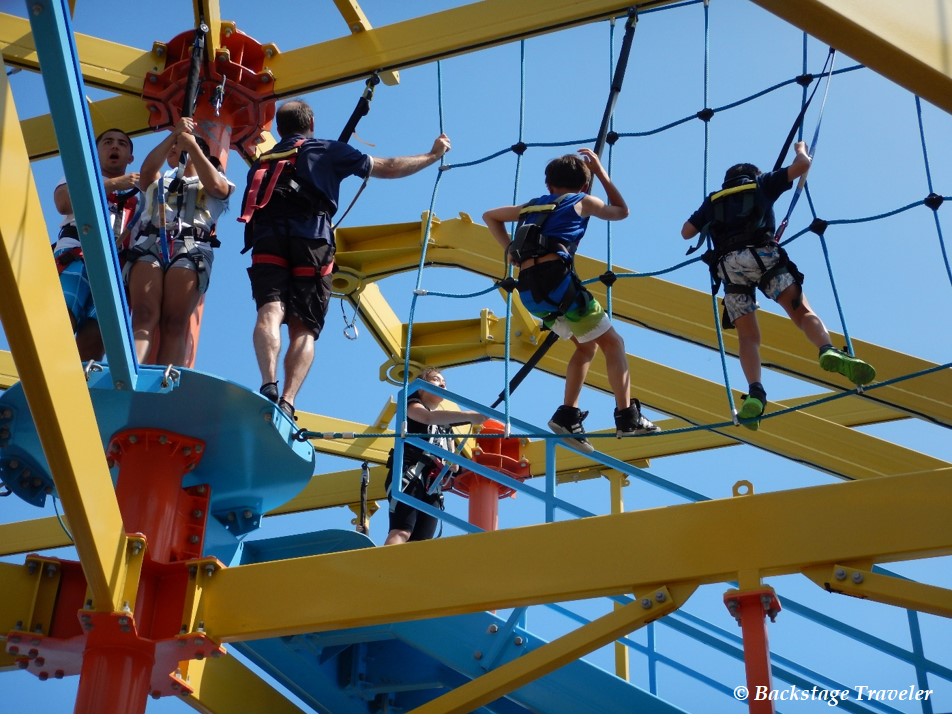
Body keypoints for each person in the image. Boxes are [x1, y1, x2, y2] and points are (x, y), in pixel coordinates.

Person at [238, 99, 452, 420]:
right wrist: (433, 154)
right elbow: (389, 166)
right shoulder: (325, 149)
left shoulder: (263, 161)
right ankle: (287, 399)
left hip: (266, 238)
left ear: (279, 129)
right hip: (312, 239)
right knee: (304, 328)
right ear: (311, 123)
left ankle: (268, 382)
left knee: (270, 310)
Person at [681, 140, 876, 430]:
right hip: (763, 258)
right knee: (802, 312)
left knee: (748, 338)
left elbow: (686, 233)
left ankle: (756, 392)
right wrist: (799, 149)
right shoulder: (761, 184)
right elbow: (802, 167)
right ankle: (827, 349)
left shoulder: (714, 200)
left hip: (729, 268)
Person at [482, 149, 658, 452]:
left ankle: (568, 415)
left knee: (586, 346)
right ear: (583, 185)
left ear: (549, 185)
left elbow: (490, 216)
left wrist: (510, 250)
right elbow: (621, 211)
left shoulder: (532, 206)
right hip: (557, 283)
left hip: (530, 292)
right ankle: (627, 417)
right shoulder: (582, 201)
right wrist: (601, 173)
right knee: (614, 344)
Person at [126, 117, 234, 367]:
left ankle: (164, 377)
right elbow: (146, 173)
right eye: (173, 146)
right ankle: (131, 367)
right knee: (143, 315)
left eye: (179, 145)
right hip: (150, 243)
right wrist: (174, 135)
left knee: (174, 322)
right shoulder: (158, 181)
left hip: (190, 248)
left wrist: (193, 148)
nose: (175, 148)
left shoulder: (215, 179)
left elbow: (218, 188)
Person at [53, 128, 139, 362]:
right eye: (108, 142)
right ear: (96, 151)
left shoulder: (137, 199)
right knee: (60, 323)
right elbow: (63, 202)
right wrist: (113, 184)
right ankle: (44, 377)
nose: (115, 147)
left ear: (130, 157)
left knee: (94, 343)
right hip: (77, 254)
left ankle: (75, 392)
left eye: (122, 144)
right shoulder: (81, 175)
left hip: (114, 270)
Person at [384, 368, 485, 545]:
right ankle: (385, 565)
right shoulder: (411, 404)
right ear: (421, 387)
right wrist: (470, 416)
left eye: (444, 382)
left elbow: (452, 465)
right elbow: (426, 417)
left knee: (422, 542)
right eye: (436, 379)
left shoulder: (446, 430)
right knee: (402, 530)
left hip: (432, 486)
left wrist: (452, 462)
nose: (442, 383)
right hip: (410, 474)